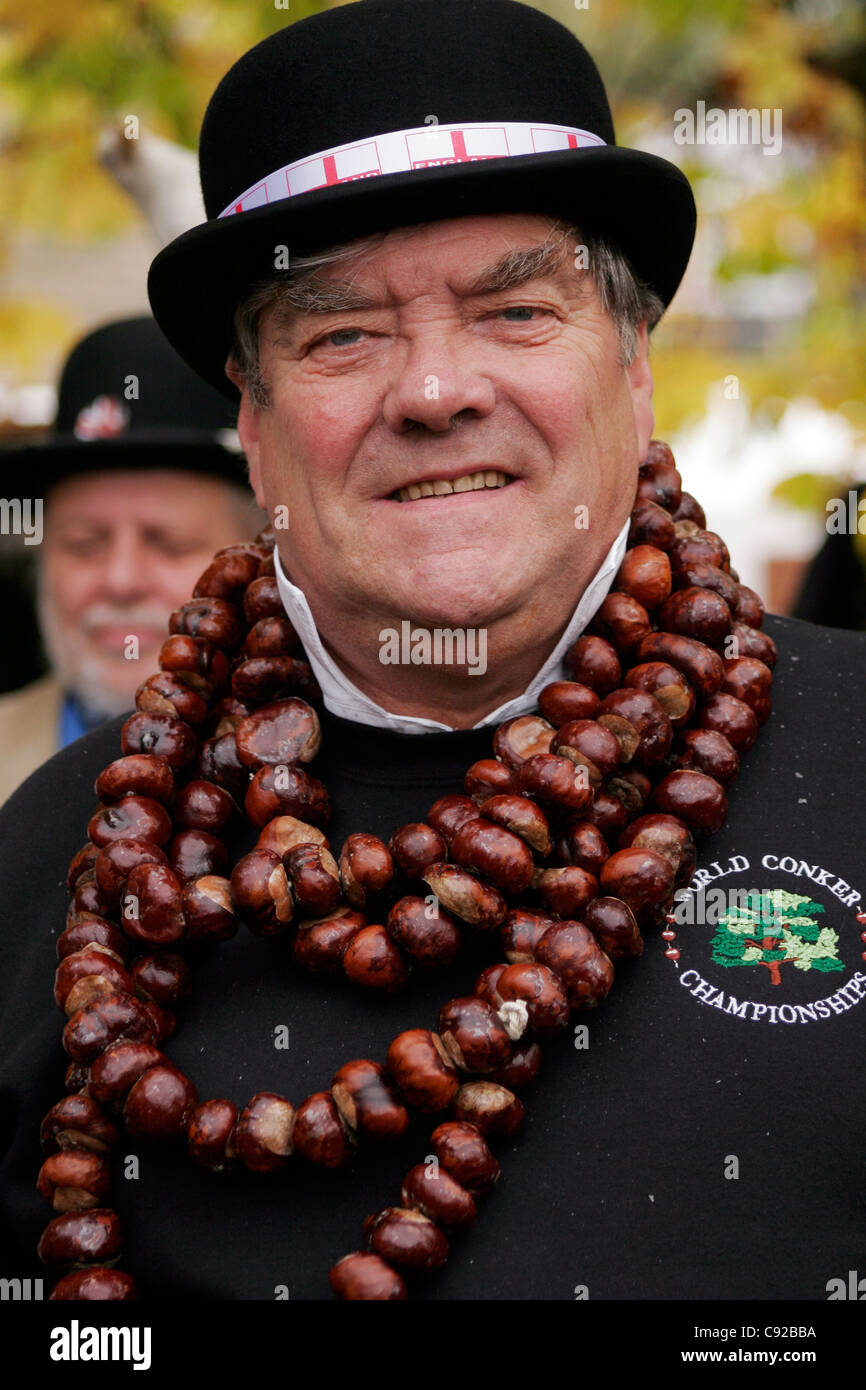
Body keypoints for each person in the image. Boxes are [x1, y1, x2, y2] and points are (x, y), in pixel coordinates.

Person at [0, 0, 863, 1306]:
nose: (431, 390)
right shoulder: (62, 858)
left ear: (633, 367)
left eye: (514, 308)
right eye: (341, 332)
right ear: (252, 412)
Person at [0, 317, 261, 803]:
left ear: (257, 556)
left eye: (169, 543)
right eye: (83, 544)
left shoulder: (318, 770)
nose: (121, 581)